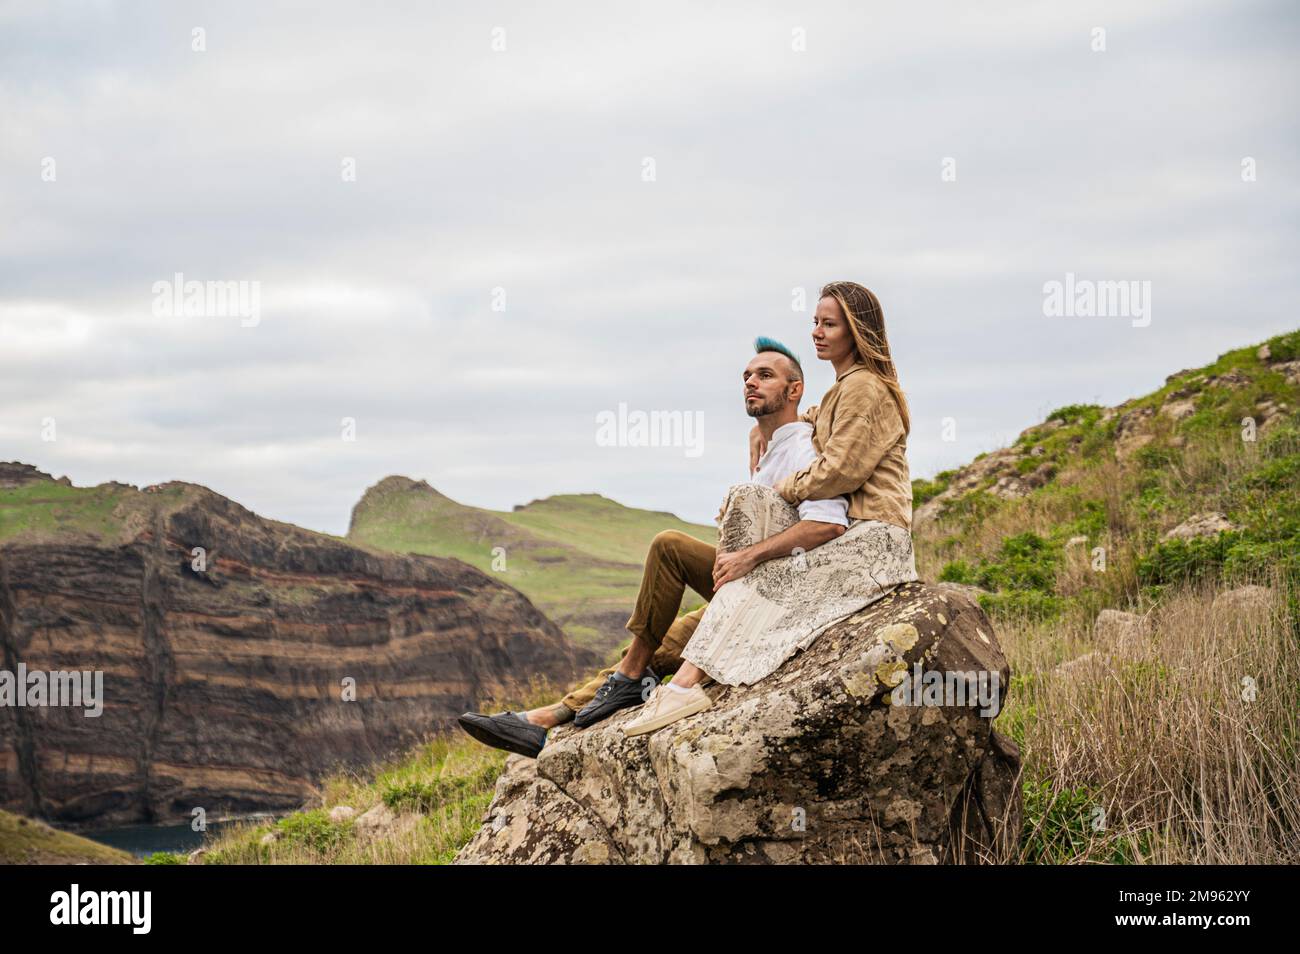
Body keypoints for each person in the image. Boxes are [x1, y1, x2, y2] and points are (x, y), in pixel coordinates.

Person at [457, 337, 848, 757]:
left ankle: (613, 686)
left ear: (795, 390)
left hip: (778, 590)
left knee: (669, 546)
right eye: (746, 376)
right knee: (657, 649)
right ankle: (546, 721)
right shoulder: (766, 451)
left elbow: (827, 524)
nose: (750, 382)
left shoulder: (801, 448)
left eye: (765, 376)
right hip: (744, 590)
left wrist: (747, 555)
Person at [621, 281, 917, 736]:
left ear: (856, 331)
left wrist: (784, 487)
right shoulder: (846, 388)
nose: (817, 332)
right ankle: (667, 682)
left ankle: (685, 683)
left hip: (874, 538)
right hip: (861, 534)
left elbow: (839, 470)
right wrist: (766, 431)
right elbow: (819, 420)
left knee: (760, 571)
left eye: (830, 324)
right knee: (757, 570)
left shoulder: (866, 388)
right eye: (815, 322)